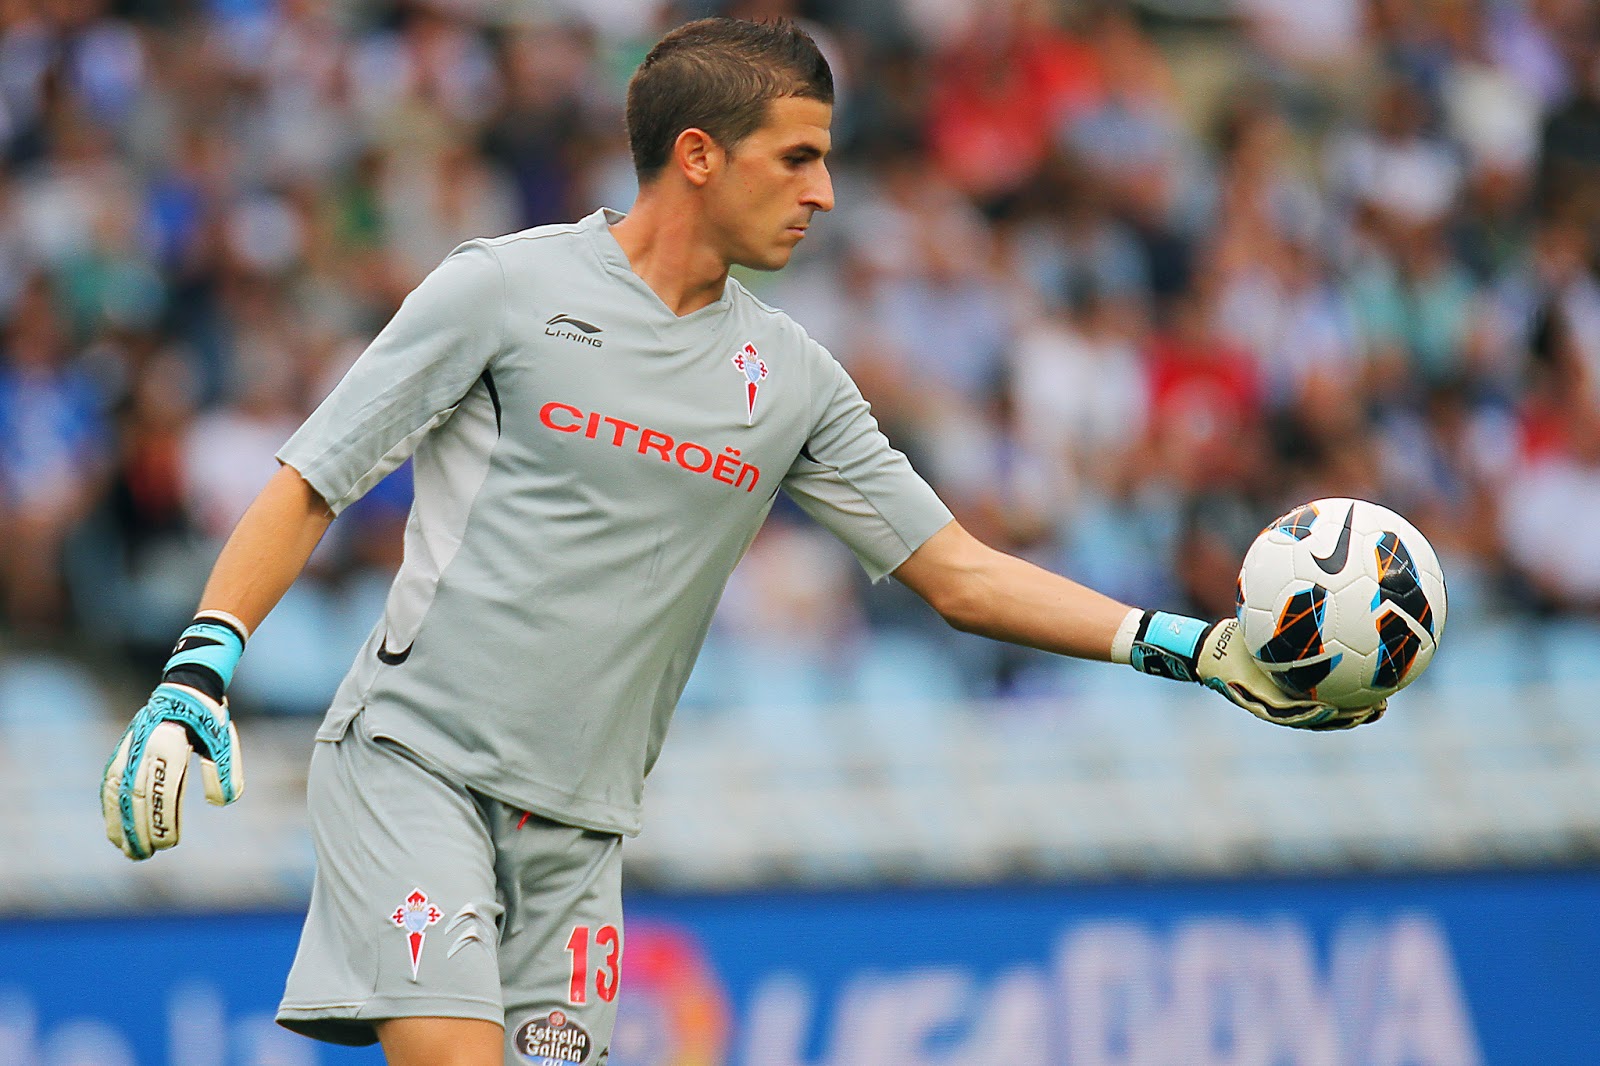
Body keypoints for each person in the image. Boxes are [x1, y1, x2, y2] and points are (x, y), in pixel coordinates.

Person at [100, 18, 1382, 1066]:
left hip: (582, 829)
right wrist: (196, 667)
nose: (826, 193)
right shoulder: (502, 288)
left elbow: (960, 574)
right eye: (799, 159)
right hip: (416, 766)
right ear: (700, 157)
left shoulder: (793, 377)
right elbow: (312, 478)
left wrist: (1193, 647)